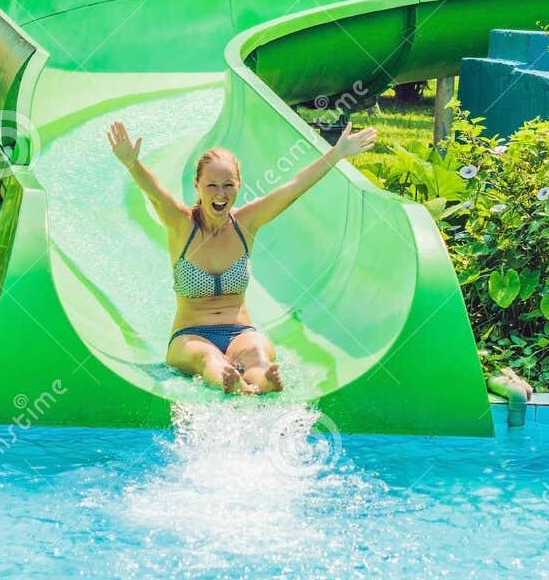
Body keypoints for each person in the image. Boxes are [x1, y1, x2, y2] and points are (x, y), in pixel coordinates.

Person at [106, 120, 377, 395]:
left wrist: (337, 152)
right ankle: (230, 381)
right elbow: (156, 194)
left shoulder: (246, 223)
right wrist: (131, 163)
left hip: (240, 332)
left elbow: (293, 188)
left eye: (228, 185)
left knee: (258, 353)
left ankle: (263, 381)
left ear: (239, 185)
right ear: (197, 185)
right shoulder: (181, 224)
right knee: (207, 359)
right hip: (190, 337)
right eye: (211, 185)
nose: (220, 194)